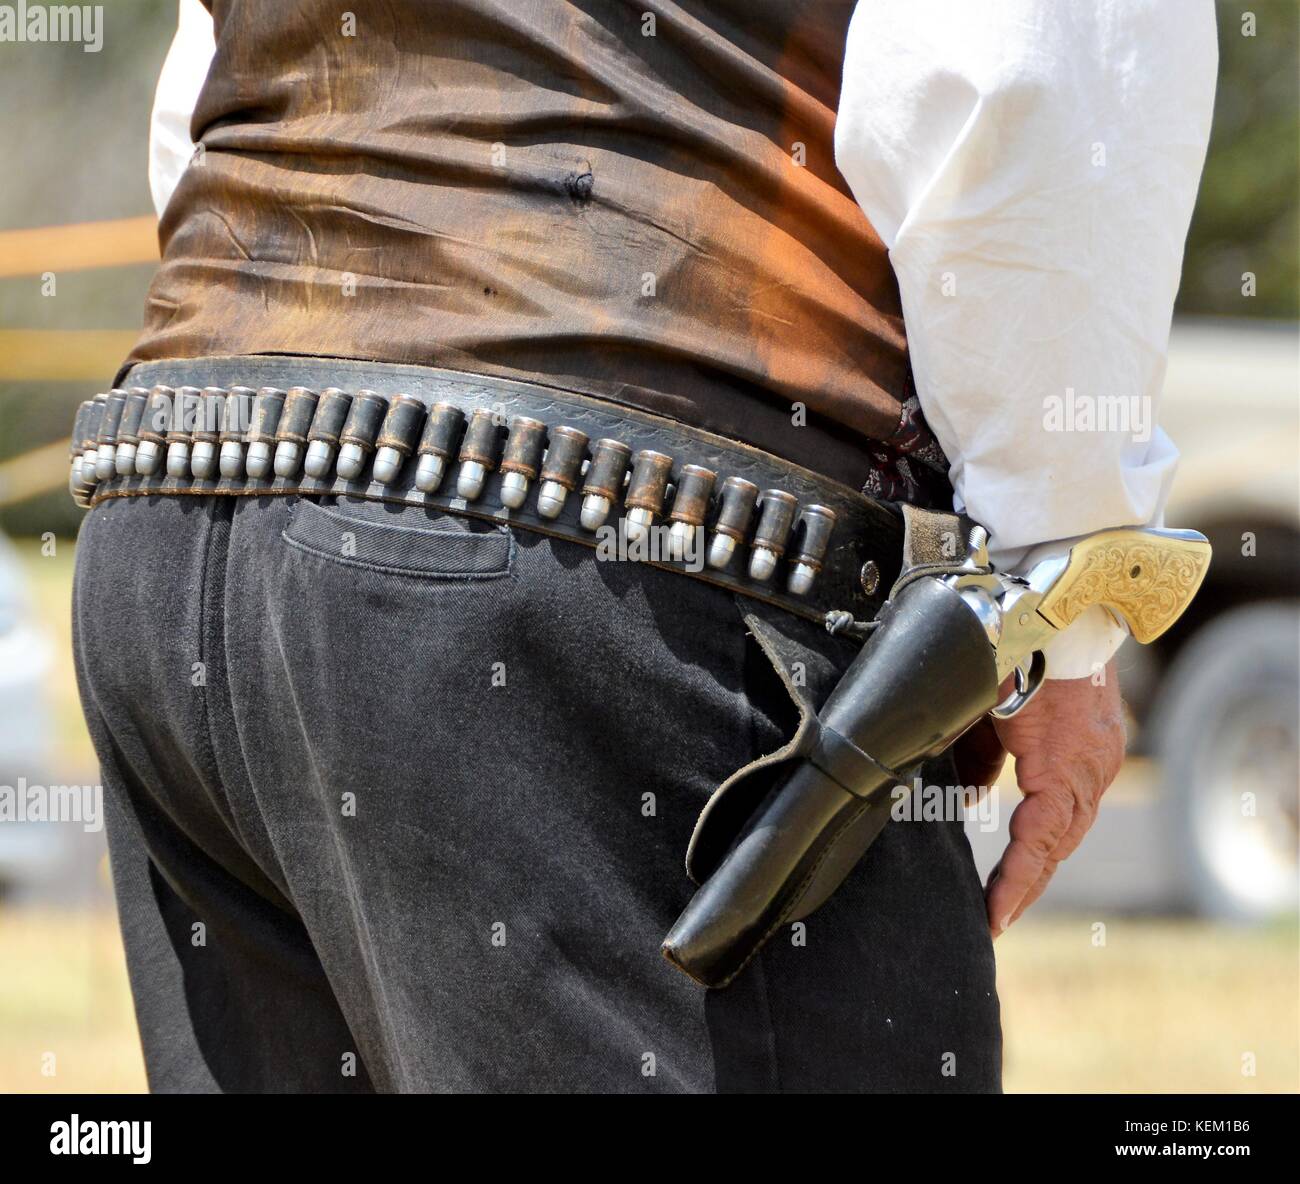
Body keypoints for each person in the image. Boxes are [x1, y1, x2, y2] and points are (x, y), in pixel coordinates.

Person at [71, 0, 1216, 1092]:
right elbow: (1022, 67)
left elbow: (210, 97)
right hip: (602, 548)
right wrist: (1056, 577)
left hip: (176, 496)